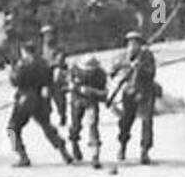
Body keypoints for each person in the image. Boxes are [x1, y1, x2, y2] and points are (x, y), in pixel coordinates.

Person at [7, 40, 71, 167]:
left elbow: (16, 81)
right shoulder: (44, 63)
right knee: (47, 127)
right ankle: (64, 151)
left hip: (24, 100)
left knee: (12, 128)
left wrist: (10, 71)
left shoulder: (22, 64)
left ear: (24, 51)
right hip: (41, 99)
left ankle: (22, 155)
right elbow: (50, 80)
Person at [111, 29, 158, 164]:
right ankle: (122, 146)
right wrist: (127, 65)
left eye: (135, 43)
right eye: (130, 43)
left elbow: (151, 73)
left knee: (146, 121)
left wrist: (141, 68)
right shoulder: (121, 57)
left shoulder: (147, 56)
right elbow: (112, 71)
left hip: (145, 92)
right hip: (128, 93)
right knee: (126, 122)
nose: (132, 46)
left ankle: (144, 150)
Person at [67, 55, 108, 167]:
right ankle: (74, 144)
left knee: (93, 125)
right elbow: (69, 85)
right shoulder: (74, 70)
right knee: (76, 126)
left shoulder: (100, 74)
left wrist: (93, 91)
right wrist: (78, 89)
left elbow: (104, 93)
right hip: (77, 100)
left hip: (91, 101)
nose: (88, 72)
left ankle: (95, 156)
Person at [39, 24, 69, 128]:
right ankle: (47, 118)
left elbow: (59, 60)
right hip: (44, 75)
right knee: (45, 99)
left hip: (56, 73)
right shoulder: (41, 47)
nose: (47, 37)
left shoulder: (59, 47)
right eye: (45, 35)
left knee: (59, 98)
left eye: (49, 34)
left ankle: (62, 115)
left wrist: (55, 66)